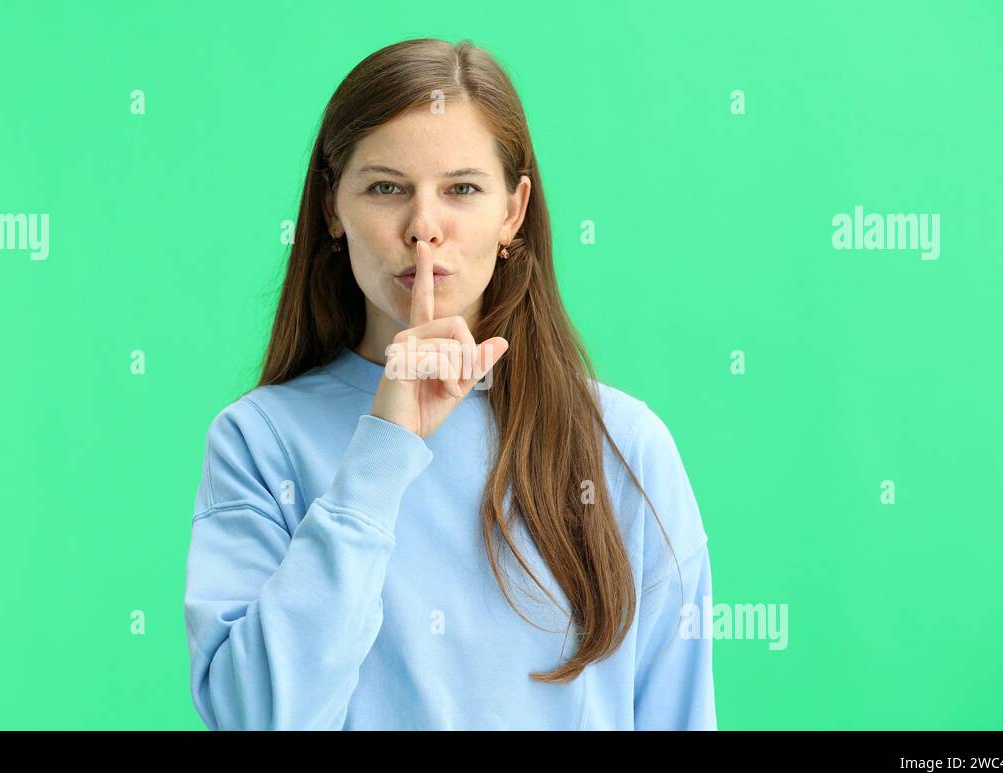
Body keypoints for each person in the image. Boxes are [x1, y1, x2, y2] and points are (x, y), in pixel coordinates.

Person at [184, 37, 715, 730]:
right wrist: (384, 445)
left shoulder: (625, 446)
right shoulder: (257, 441)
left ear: (513, 212)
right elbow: (257, 716)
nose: (423, 229)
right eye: (385, 188)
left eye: (461, 189)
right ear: (331, 210)